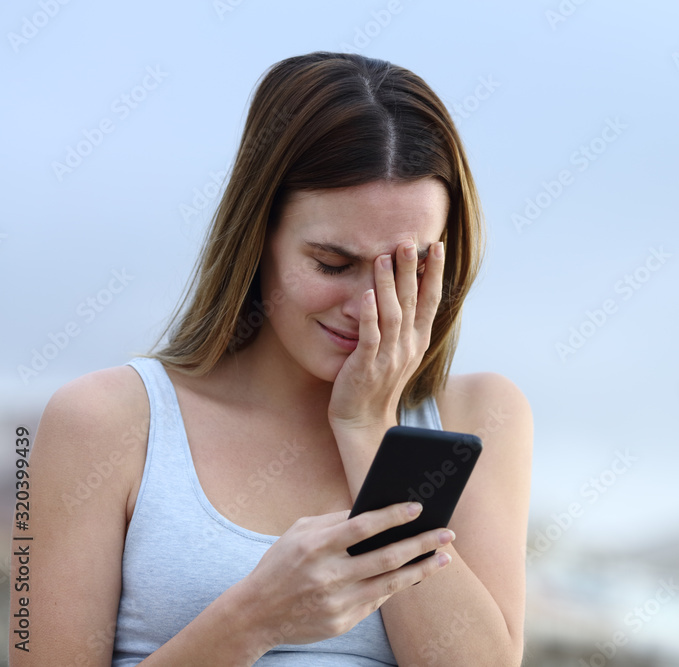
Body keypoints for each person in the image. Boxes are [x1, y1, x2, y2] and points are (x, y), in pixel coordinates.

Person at [10, 51, 532, 666]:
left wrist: (369, 430)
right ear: (258, 240)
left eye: (406, 268)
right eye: (332, 264)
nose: (369, 308)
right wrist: (255, 618)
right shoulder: (103, 420)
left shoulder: (479, 414)